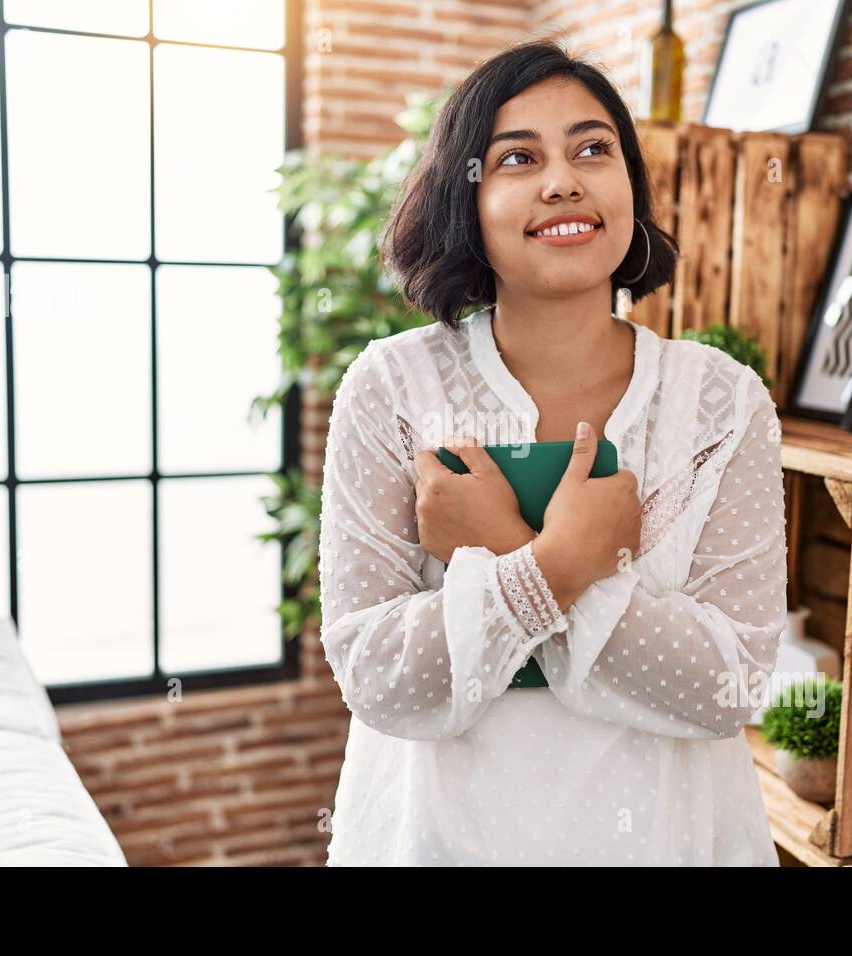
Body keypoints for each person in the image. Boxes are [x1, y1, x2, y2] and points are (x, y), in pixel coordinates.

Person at [317, 38, 788, 865]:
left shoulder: (720, 402)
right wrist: (561, 563)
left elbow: (733, 684)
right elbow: (376, 675)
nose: (563, 179)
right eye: (517, 157)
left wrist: (511, 549)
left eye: (593, 149)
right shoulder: (393, 387)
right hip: (436, 839)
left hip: (662, 837)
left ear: (631, 189)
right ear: (467, 199)